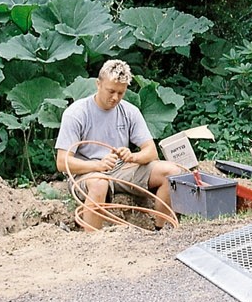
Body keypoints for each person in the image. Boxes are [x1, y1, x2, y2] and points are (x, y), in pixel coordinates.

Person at [55, 60, 182, 230]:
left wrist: (133, 156)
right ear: (98, 84)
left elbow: (151, 152)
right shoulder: (76, 113)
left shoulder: (129, 111)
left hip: (121, 168)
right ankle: (92, 242)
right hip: (86, 171)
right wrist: (97, 165)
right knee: (100, 183)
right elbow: (62, 162)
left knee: (171, 172)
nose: (115, 98)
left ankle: (161, 230)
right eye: (111, 91)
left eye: (121, 93)